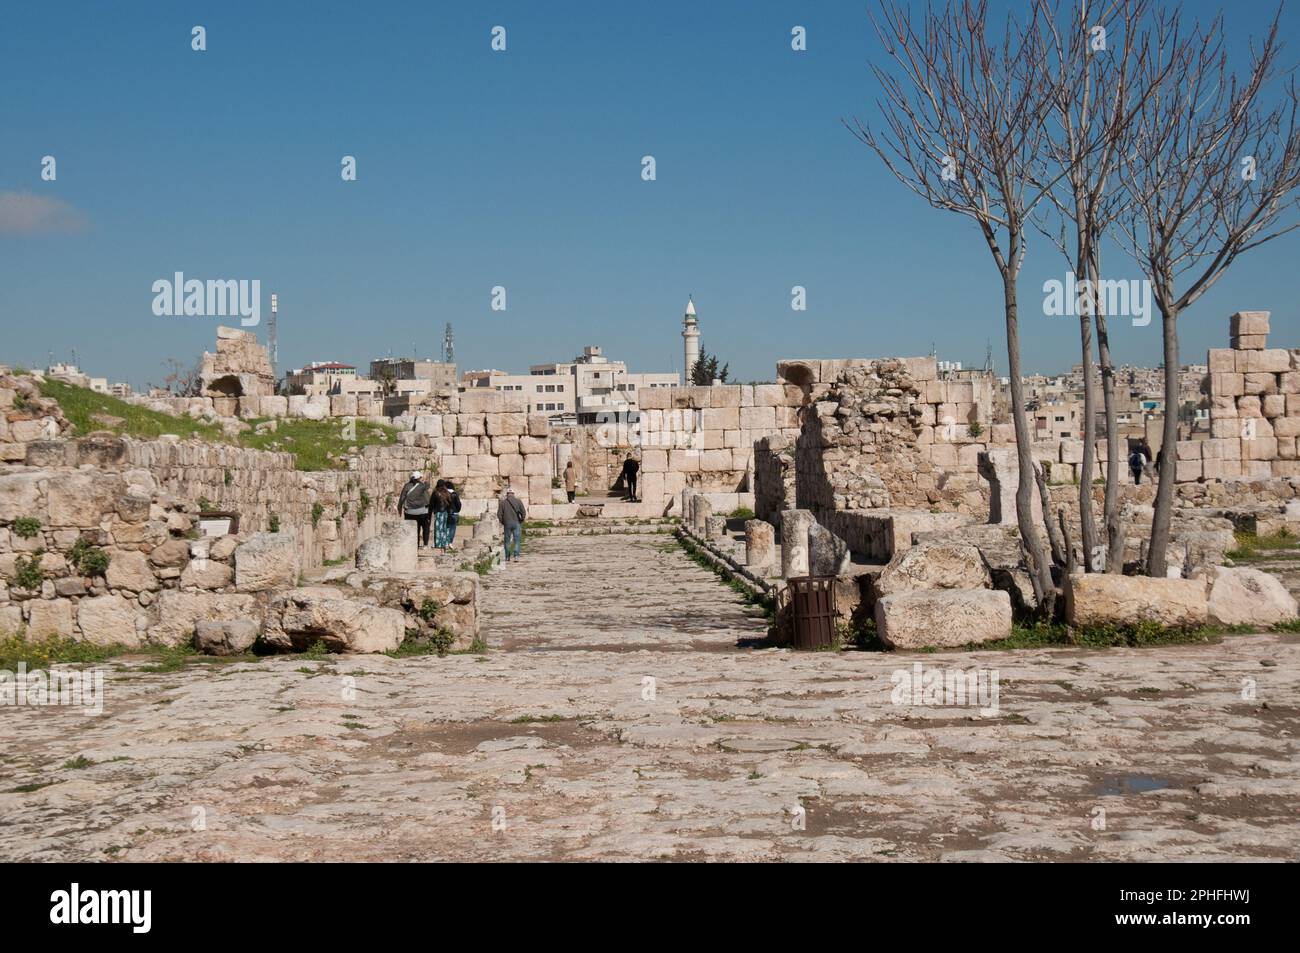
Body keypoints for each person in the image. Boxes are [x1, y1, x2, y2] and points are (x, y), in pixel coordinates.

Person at [398, 471, 432, 547]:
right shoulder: (422, 486)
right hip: (423, 511)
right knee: (425, 528)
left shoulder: (406, 486)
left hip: (409, 512)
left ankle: (414, 545)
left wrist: (399, 508)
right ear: (419, 478)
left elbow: (402, 498)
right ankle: (425, 544)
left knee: (414, 529)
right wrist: (424, 479)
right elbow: (428, 485)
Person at [497, 487, 526, 562]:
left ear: (507, 494)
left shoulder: (502, 503)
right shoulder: (518, 501)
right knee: (516, 540)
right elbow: (523, 512)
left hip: (507, 523)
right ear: (513, 494)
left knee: (507, 540)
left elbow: (499, 514)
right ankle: (516, 556)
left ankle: (507, 556)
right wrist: (521, 520)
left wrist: (503, 522)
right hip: (516, 522)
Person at [432, 480, 454, 552]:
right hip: (446, 513)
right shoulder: (447, 493)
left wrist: (429, 515)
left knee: (438, 529)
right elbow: (450, 505)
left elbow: (432, 504)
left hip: (438, 513)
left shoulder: (435, 493)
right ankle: (445, 543)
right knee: (445, 528)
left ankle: (438, 544)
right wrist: (450, 514)